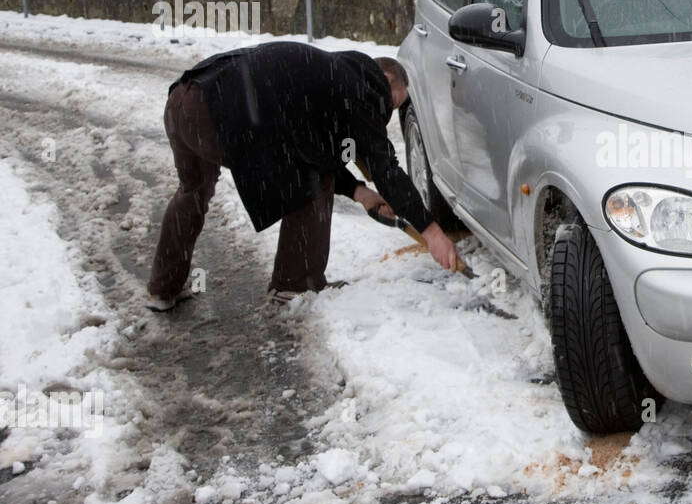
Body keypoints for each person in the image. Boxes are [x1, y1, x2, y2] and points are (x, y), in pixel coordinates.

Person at [145, 41, 460, 311]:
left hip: (185, 99)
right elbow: (385, 168)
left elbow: (319, 148)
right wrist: (432, 232)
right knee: (312, 178)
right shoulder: (363, 86)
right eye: (392, 103)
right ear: (386, 78)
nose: (386, 113)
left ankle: (163, 287)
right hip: (223, 115)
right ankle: (295, 284)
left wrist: (360, 193)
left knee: (193, 190)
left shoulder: (328, 74)